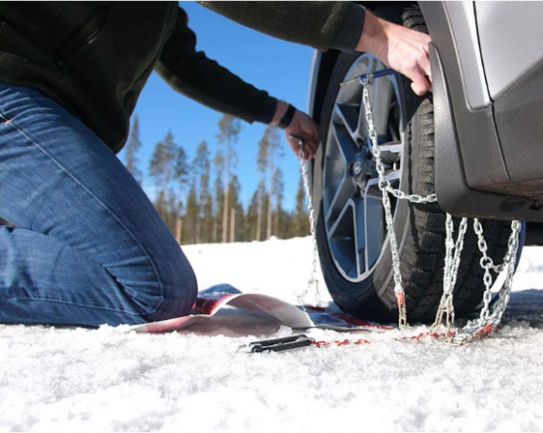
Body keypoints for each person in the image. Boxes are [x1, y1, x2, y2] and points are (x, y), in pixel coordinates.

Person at [0, 2, 432, 327]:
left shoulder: (160, 14)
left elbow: (189, 69)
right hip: (12, 94)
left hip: (46, 122)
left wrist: (282, 114)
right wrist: (378, 35)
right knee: (152, 289)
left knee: (146, 283)